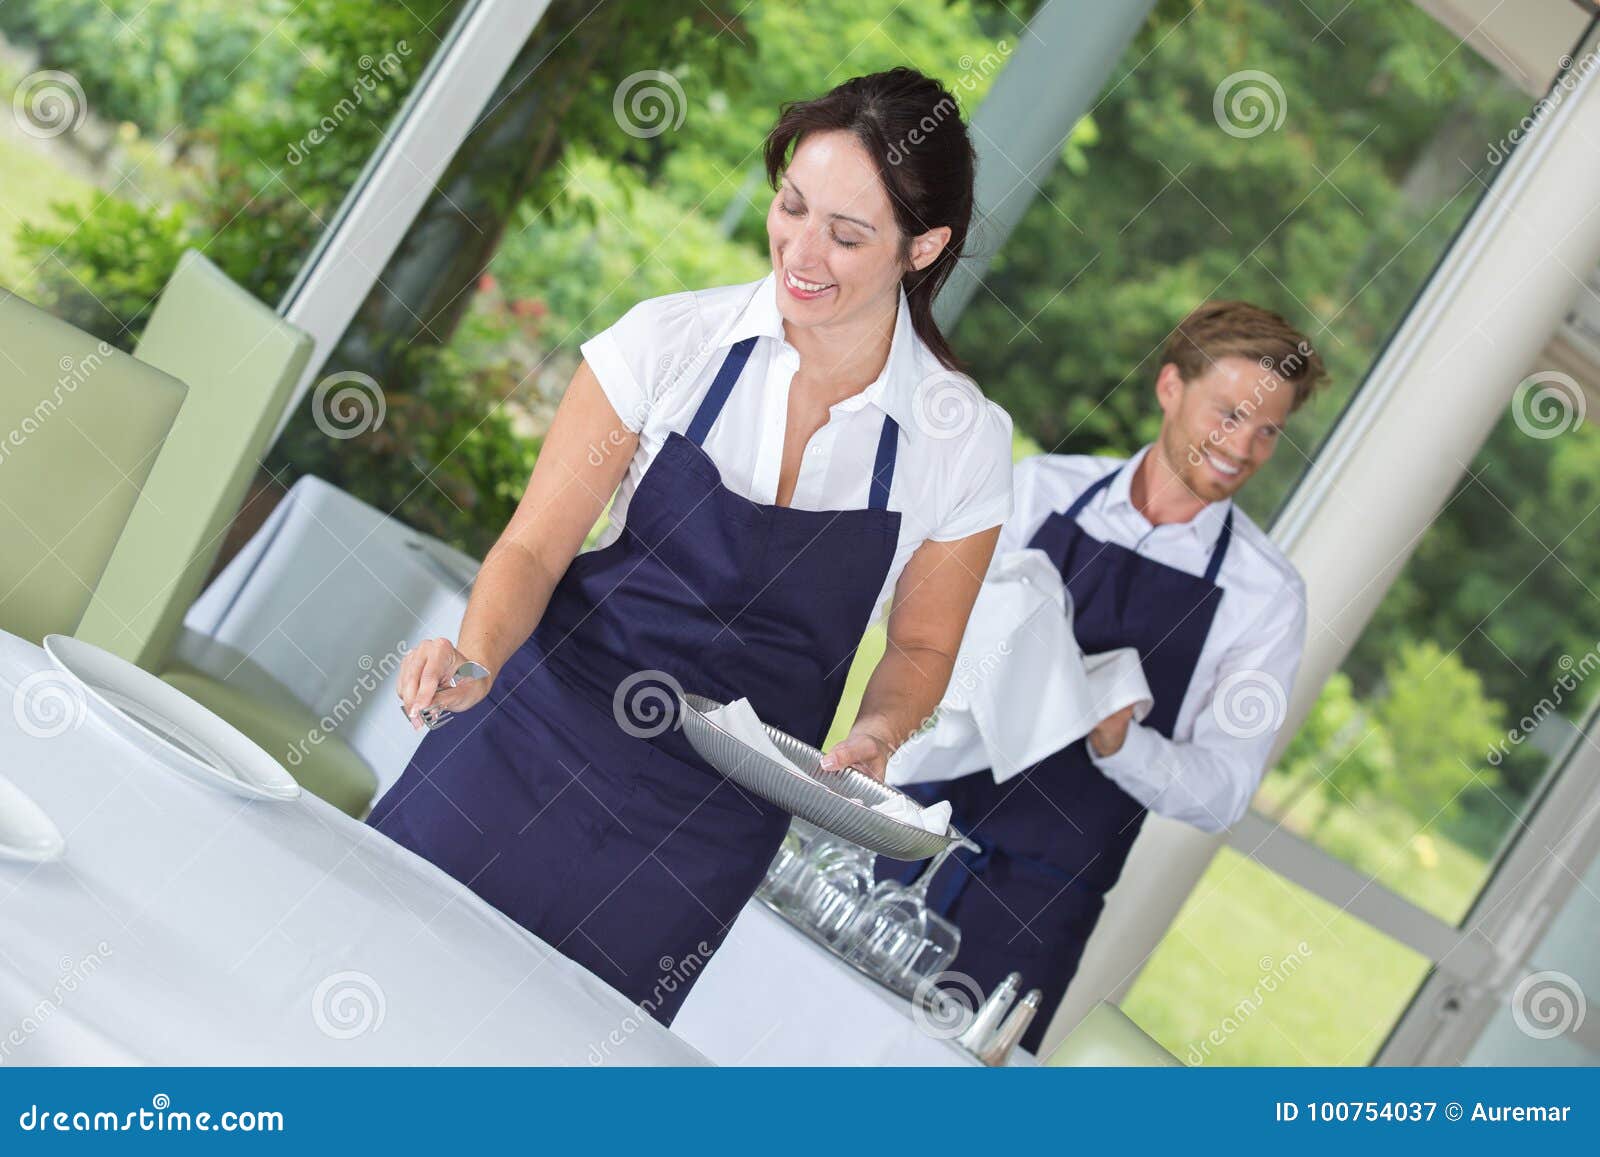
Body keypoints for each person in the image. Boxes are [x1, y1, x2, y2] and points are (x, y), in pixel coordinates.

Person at [370, 67, 1015, 1025]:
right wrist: (475, 653)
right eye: (792, 206)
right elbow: (534, 548)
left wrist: (877, 736)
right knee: (359, 984)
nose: (801, 249)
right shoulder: (669, 344)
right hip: (524, 741)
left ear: (923, 247)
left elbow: (921, 647)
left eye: (847, 234)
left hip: (698, 834)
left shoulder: (958, 436)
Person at [884, 300, 1323, 1053]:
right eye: (1228, 413)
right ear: (1169, 388)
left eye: (1267, 430)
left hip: (1040, 903)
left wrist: (1122, 741)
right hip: (910, 823)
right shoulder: (1040, 491)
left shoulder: (1265, 596)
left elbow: (1223, 791)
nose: (1242, 446)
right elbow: (922, 626)